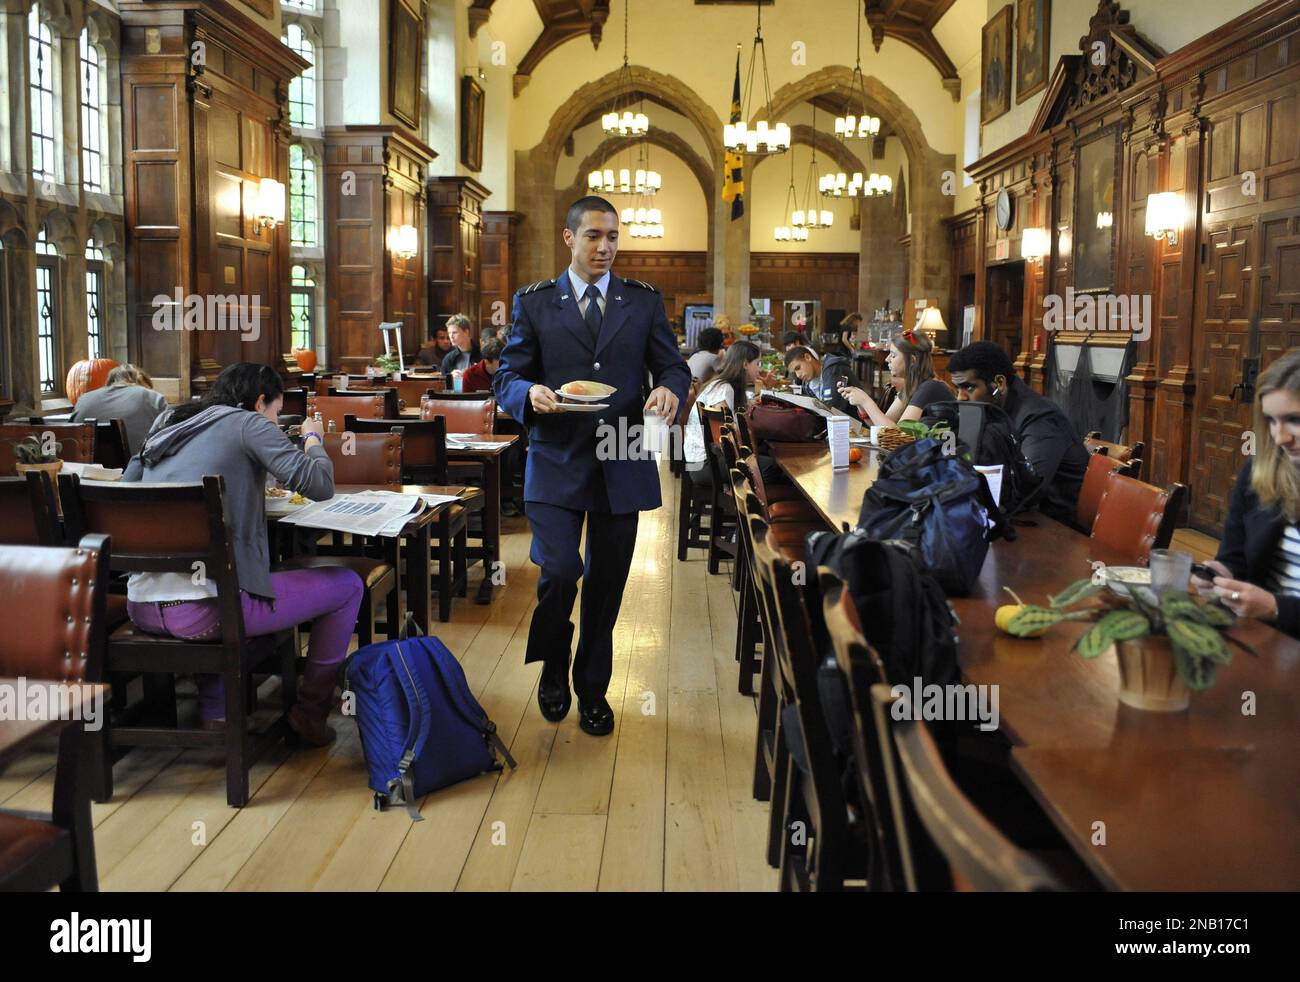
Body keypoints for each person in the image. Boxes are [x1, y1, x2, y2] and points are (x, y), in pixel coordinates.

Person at [494, 195, 690, 737]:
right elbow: (506, 378)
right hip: (555, 457)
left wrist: (671, 392)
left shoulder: (643, 301)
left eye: (612, 237)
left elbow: (672, 367)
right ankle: (554, 660)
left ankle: (593, 688)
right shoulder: (534, 303)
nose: (604, 248)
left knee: (607, 585)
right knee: (559, 573)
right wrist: (527, 392)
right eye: (592, 237)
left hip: (622, 451)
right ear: (569, 238)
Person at [122, 363, 360, 746]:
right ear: (260, 401)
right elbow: (319, 485)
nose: (275, 421)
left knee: (224, 571)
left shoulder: (168, 421)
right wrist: (313, 440)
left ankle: (218, 714)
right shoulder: (248, 423)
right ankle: (310, 713)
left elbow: (128, 491)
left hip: (142, 605)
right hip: (204, 614)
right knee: (346, 585)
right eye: (276, 413)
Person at [1192, 348, 1300, 636]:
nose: (1281, 437)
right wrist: (1221, 576)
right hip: (1263, 635)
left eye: (1294, 420)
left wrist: (1276, 608)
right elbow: (1235, 559)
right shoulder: (1260, 472)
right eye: (1272, 421)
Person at [947, 340, 1089, 524]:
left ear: (999, 382)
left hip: (1058, 531)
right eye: (958, 388)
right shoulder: (991, 412)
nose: (961, 398)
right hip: (1022, 520)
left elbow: (1027, 491)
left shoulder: (1040, 418)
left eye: (969, 387)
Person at [837, 329, 953, 428]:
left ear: (912, 360)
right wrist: (860, 402)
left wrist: (865, 401)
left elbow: (898, 435)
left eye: (893, 355)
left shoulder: (930, 387)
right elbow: (879, 426)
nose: (887, 359)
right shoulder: (912, 386)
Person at [683, 340, 760, 485]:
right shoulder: (724, 390)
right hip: (705, 465)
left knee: (765, 461)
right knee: (772, 469)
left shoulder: (722, 384)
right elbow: (722, 441)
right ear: (744, 364)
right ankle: (751, 505)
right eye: (757, 364)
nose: (759, 370)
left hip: (701, 460)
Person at [69, 363, 169, 456]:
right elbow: (170, 439)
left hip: (83, 470)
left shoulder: (83, 399)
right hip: (138, 470)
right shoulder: (153, 397)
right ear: (140, 379)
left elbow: (71, 436)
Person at [784, 344, 855, 413]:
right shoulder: (807, 384)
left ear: (807, 357)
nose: (798, 375)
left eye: (798, 368)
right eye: (794, 372)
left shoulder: (833, 368)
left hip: (856, 422)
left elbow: (832, 407)